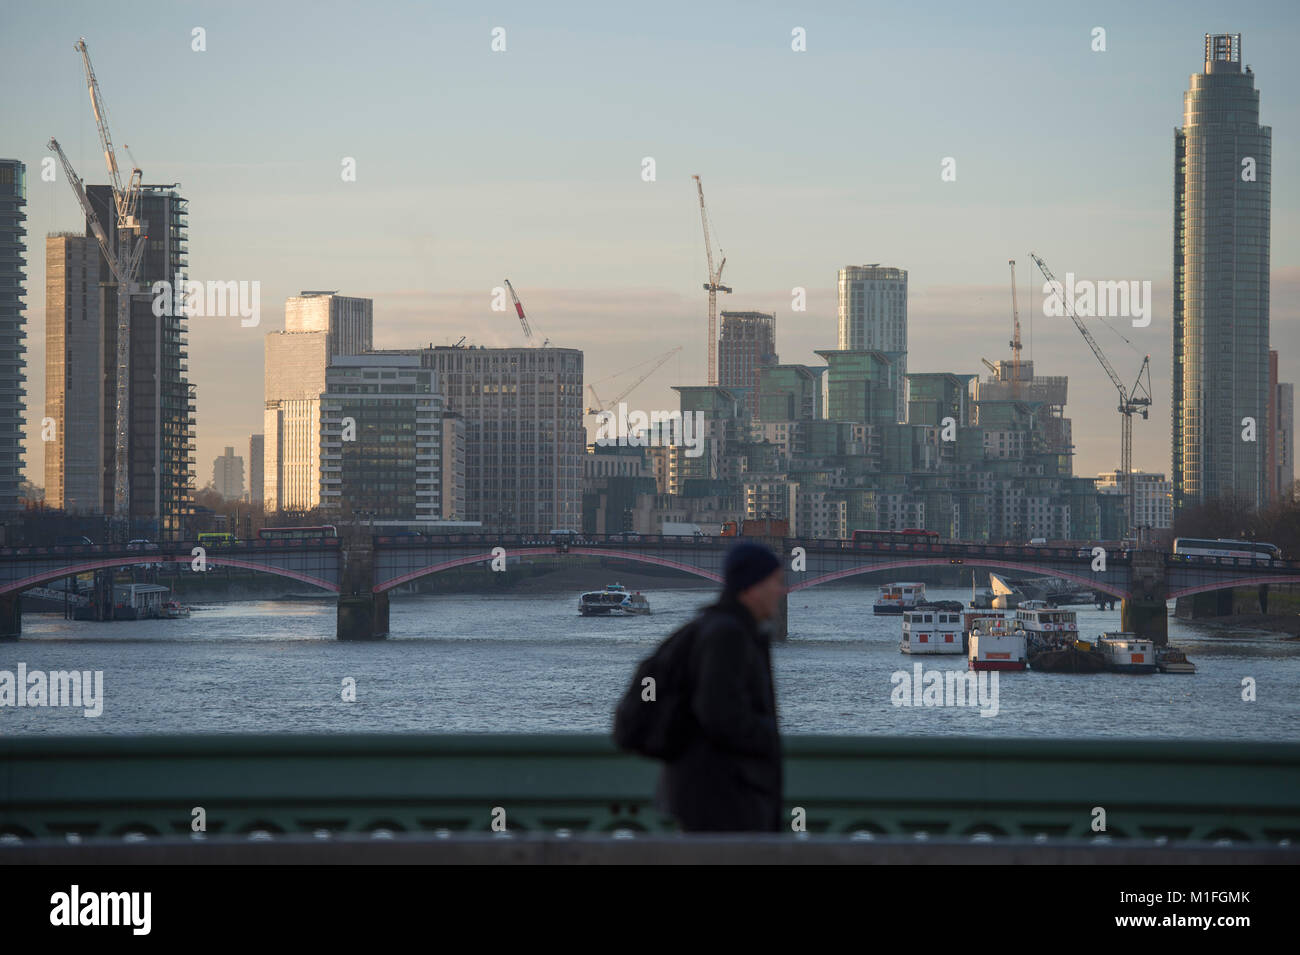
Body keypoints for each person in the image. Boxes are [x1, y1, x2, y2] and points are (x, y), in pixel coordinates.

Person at [657, 542, 786, 832]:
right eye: (775, 582)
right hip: (722, 799)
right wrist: (766, 737)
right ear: (752, 587)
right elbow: (719, 714)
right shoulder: (729, 636)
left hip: (708, 794)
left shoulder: (719, 628)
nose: (782, 591)